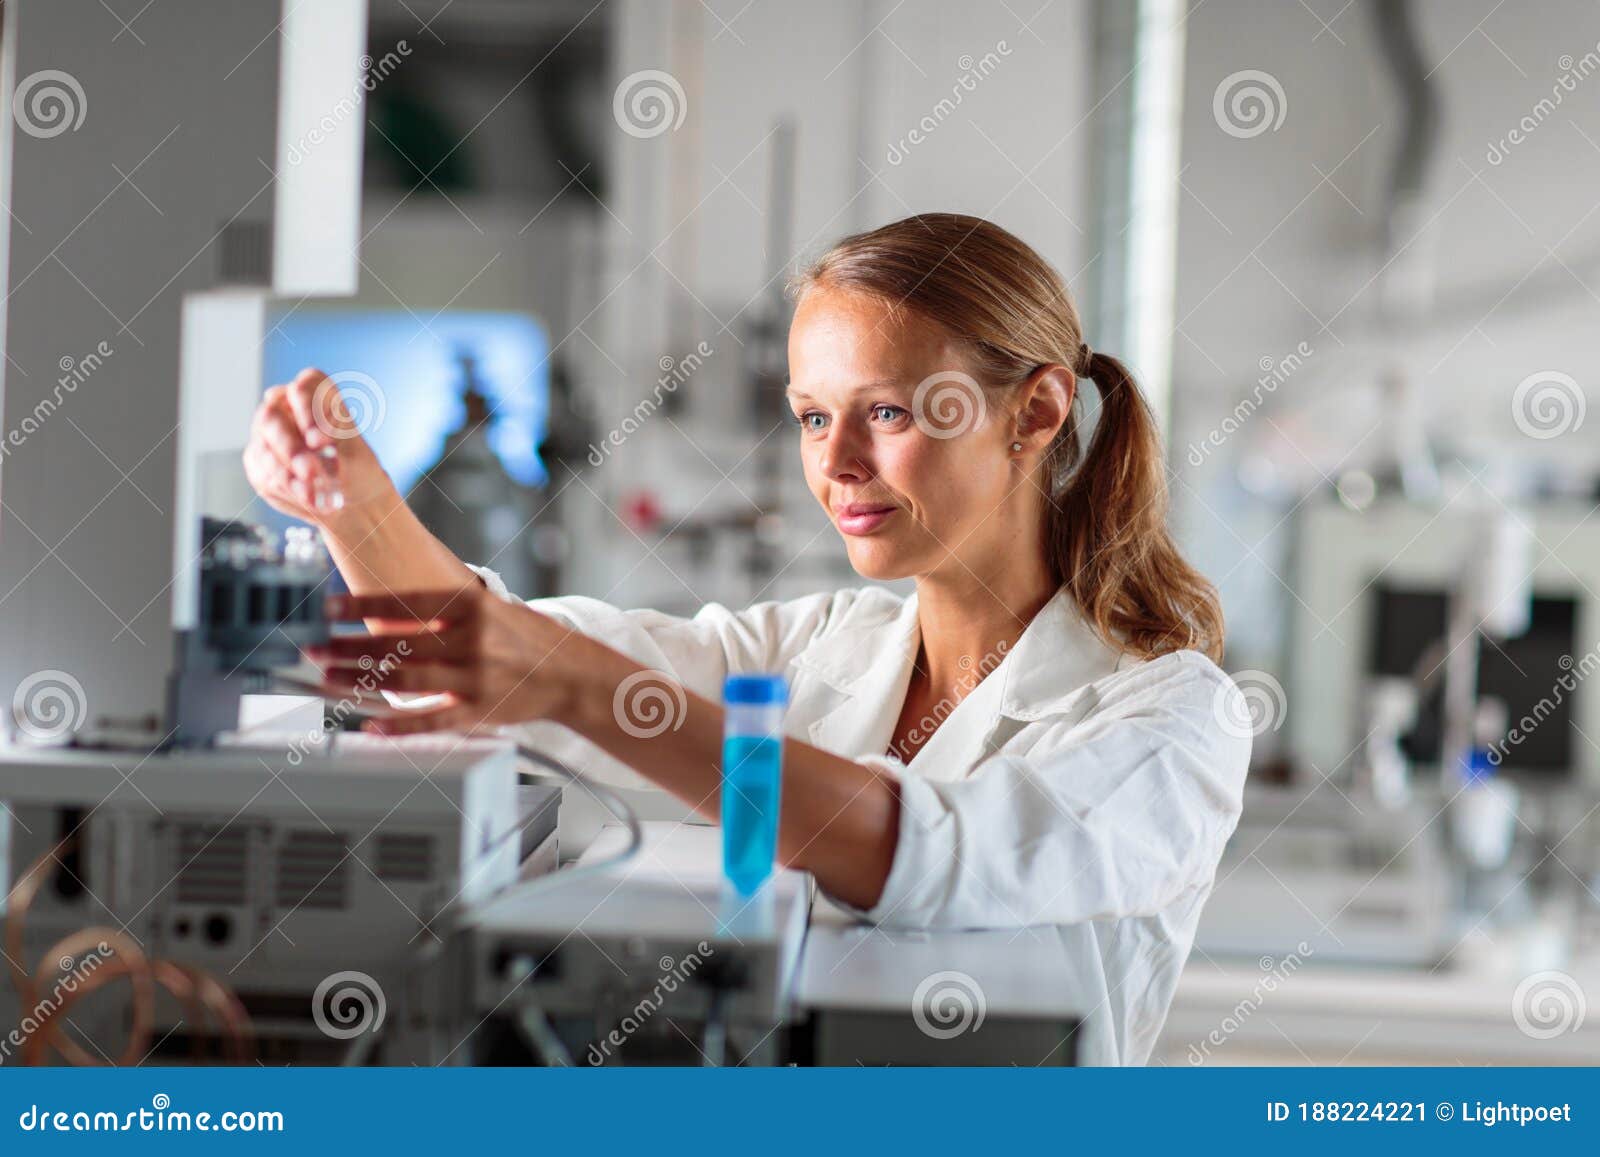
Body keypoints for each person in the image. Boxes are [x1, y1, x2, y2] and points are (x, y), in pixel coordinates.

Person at [244, 213, 1250, 1064]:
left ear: (1033, 411)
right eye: (813, 418)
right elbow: (493, 656)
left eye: (886, 411)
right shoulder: (819, 643)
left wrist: (574, 682)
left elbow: (928, 854)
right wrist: (356, 507)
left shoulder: (1168, 716)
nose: (838, 463)